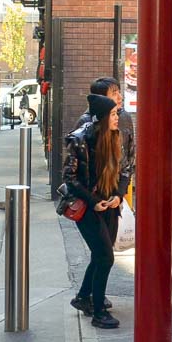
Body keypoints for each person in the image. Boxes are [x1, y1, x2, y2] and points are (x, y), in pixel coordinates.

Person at [64, 93, 126, 328]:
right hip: (88, 208)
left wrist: (118, 195)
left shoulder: (116, 137)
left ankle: (83, 297)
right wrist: (93, 201)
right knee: (105, 257)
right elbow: (70, 178)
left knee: (100, 255)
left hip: (109, 205)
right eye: (113, 114)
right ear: (102, 117)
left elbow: (124, 171)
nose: (117, 117)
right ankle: (99, 311)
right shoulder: (80, 140)